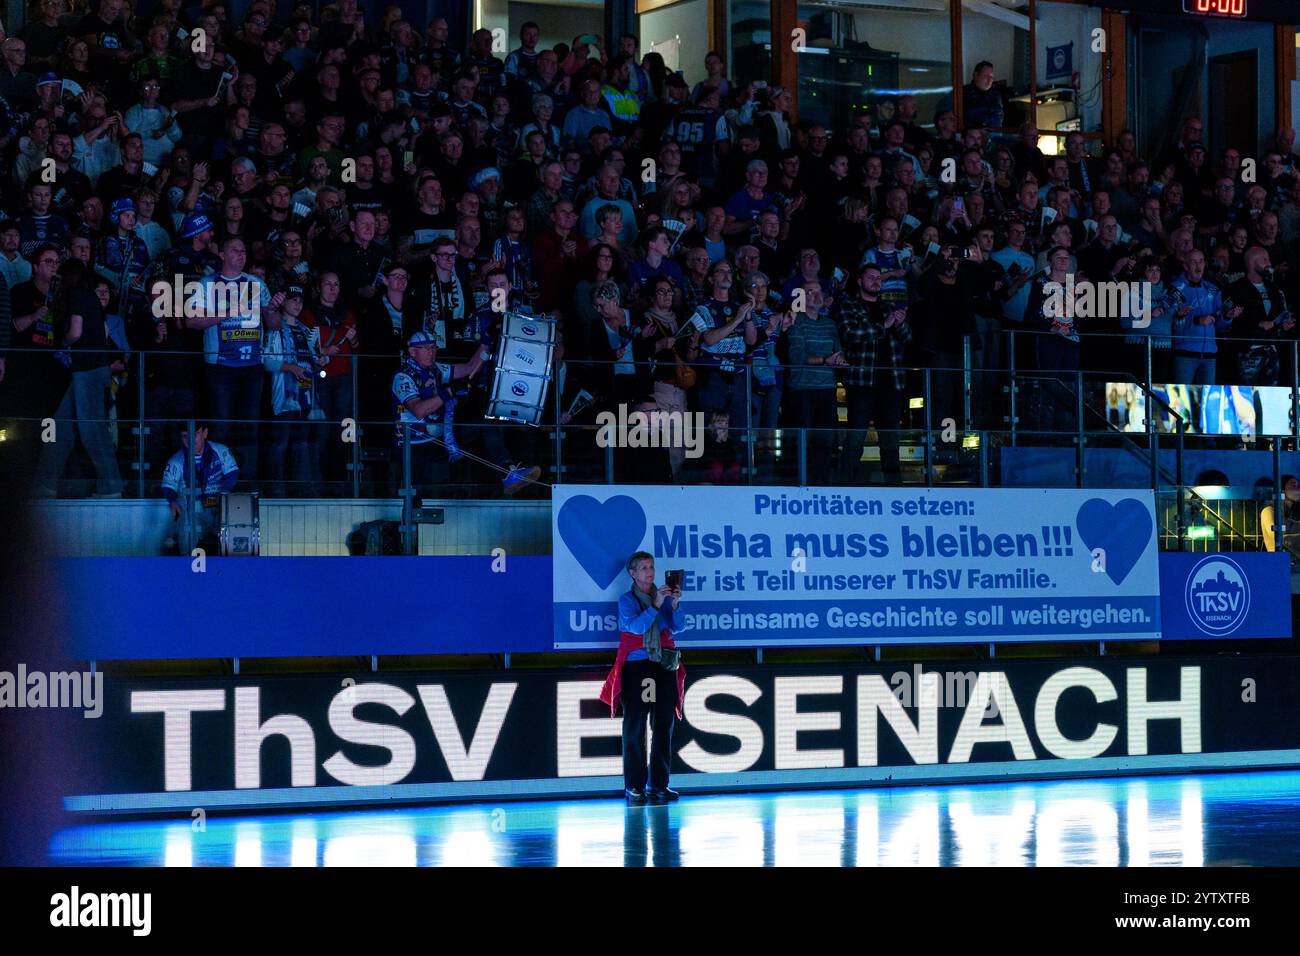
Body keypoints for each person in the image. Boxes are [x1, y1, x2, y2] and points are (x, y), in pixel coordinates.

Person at [599, 550, 687, 805]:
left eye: (652, 567)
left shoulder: (661, 596)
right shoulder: (627, 600)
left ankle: (659, 784)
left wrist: (675, 603)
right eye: (644, 568)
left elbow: (678, 626)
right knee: (636, 725)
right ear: (633, 573)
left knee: (663, 724)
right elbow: (636, 627)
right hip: (638, 668)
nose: (650, 572)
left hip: (663, 666)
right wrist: (656, 605)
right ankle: (634, 785)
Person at [161, 422, 240, 552]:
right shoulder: (177, 460)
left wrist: (220, 496)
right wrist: (172, 501)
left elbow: (232, 475)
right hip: (191, 510)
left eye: (194, 435)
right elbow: (168, 485)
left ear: (205, 433)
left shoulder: (221, 451)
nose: (190, 440)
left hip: (218, 507)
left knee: (225, 545)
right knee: (187, 541)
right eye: (185, 436)